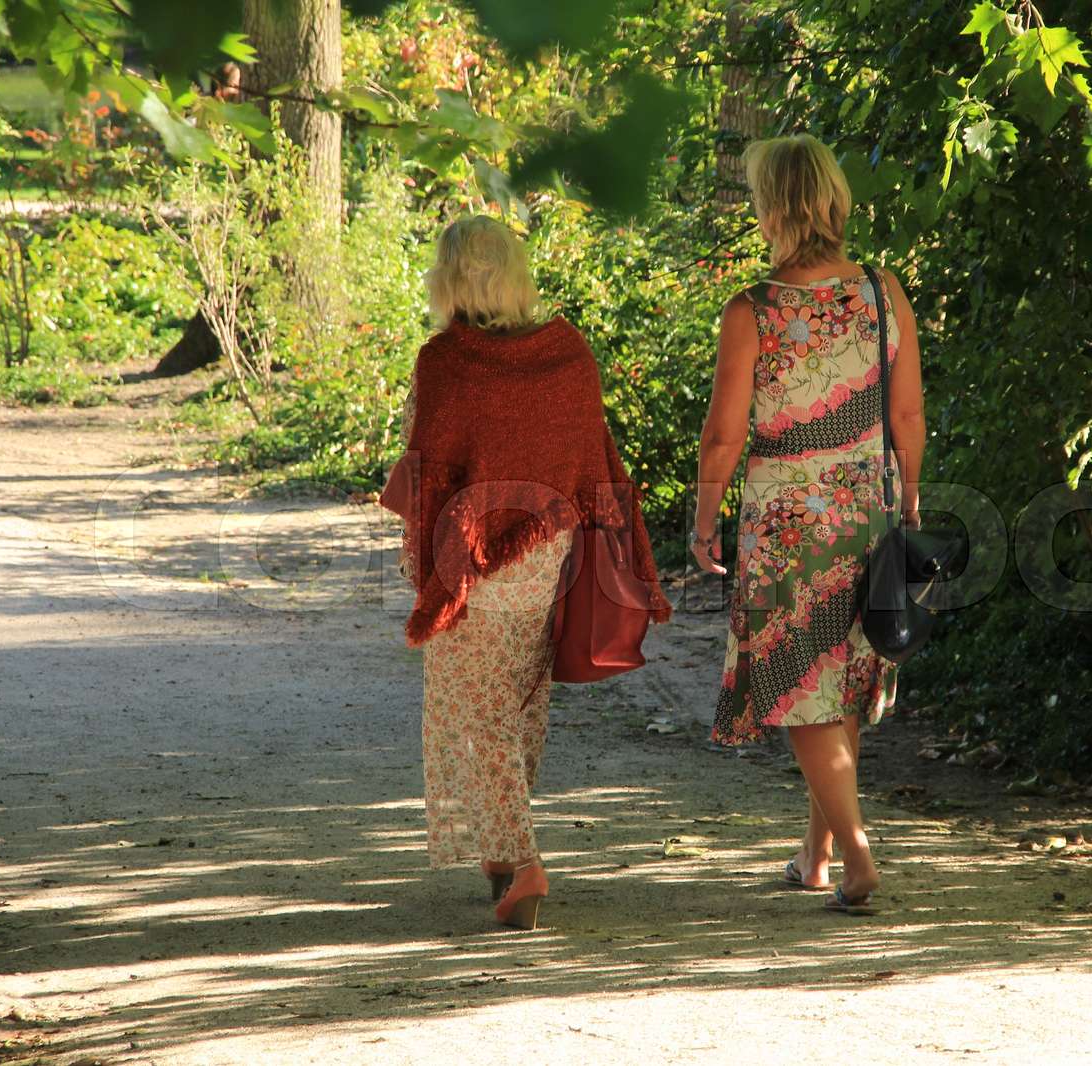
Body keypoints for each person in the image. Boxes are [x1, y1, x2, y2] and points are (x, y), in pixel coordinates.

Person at [382, 216, 672, 929]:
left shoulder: (444, 361)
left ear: (448, 278)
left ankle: (522, 858)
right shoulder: (568, 354)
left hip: (472, 556)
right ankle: (501, 854)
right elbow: (595, 461)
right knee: (519, 697)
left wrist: (421, 558)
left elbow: (427, 472)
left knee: (477, 708)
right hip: (548, 551)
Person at [691, 135, 926, 915]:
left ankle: (859, 857)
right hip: (868, 505)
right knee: (845, 676)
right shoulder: (882, 292)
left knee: (800, 684)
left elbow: (725, 433)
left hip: (787, 517)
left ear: (773, 207)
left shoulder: (754, 309)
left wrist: (704, 518)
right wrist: (909, 500)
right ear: (831, 197)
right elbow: (907, 414)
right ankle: (814, 853)